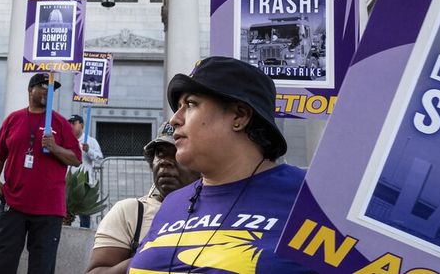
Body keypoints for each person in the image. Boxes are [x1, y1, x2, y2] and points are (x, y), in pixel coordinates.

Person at [128, 56, 315, 273]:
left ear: (239, 115)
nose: (174, 120)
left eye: (190, 104)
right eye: (178, 107)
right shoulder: (172, 203)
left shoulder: (310, 198)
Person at [0, 73, 82, 274]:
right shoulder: (13, 119)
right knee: (2, 260)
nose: (49, 91)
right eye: (43, 86)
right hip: (13, 203)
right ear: (30, 90)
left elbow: (75, 158)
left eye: (52, 89)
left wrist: (55, 147)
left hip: (48, 208)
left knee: (42, 265)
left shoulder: (60, 123)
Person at [85, 122, 198, 274]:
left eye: (176, 152)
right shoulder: (130, 212)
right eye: (160, 154)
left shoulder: (221, 212)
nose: (165, 161)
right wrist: (148, 256)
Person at [67, 114, 103, 228]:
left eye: (74, 123)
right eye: (70, 123)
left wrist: (89, 150)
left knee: (84, 215)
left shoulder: (90, 141)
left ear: (81, 125)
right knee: (65, 213)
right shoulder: (66, 140)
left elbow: (99, 158)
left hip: (84, 183)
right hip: (67, 182)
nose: (71, 126)